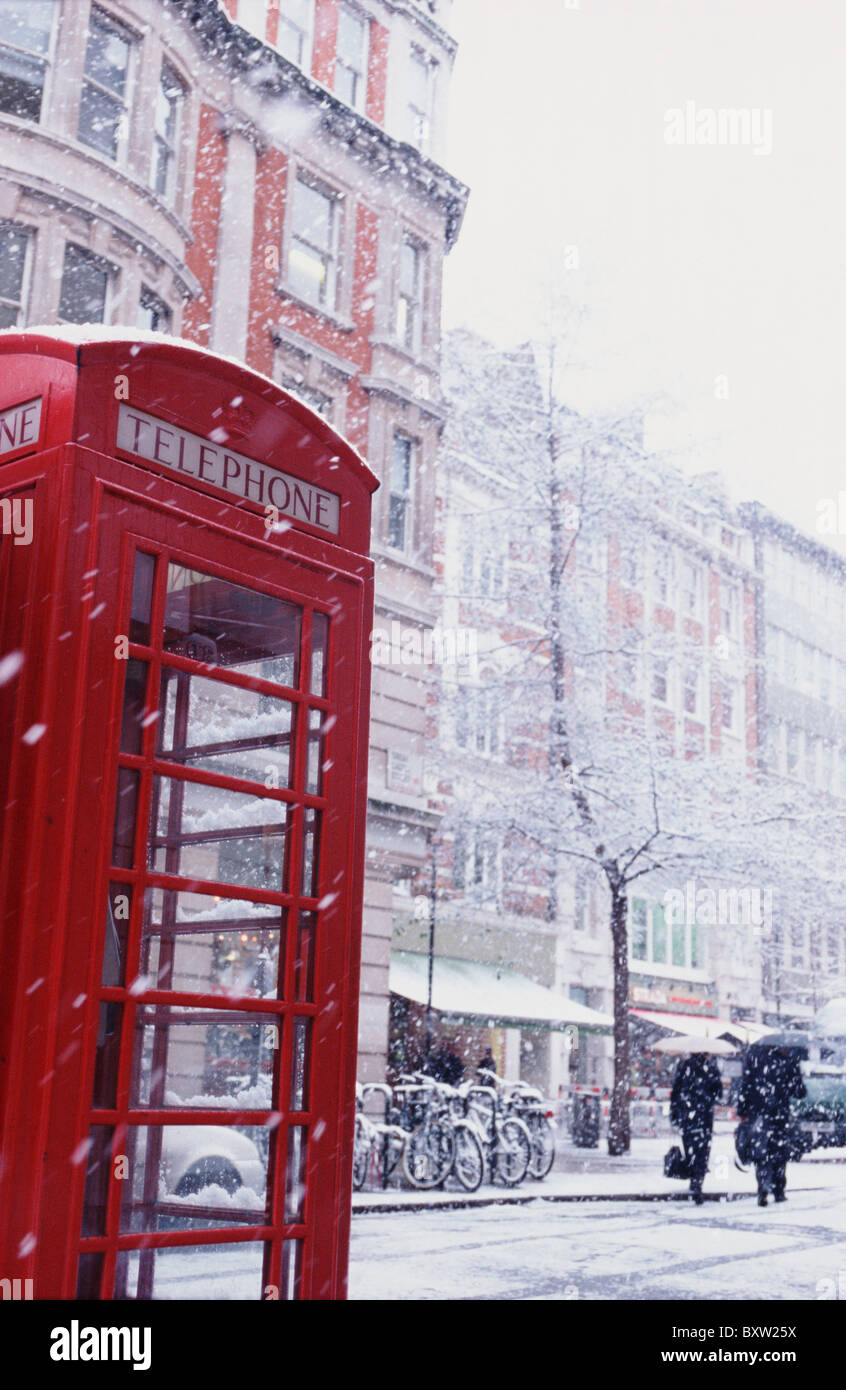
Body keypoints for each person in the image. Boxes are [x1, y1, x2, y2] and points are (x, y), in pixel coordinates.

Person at [736, 1045, 806, 1206]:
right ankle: (778, 1190)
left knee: (761, 1153)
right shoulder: (789, 1063)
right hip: (779, 1115)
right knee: (779, 1154)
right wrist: (794, 1076)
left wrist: (743, 1110)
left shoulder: (756, 1060)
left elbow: (745, 1086)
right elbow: (799, 1092)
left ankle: (763, 1189)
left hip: (759, 1114)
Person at [669, 1052, 723, 1204]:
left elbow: (676, 1092)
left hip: (687, 1115)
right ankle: (698, 1180)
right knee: (703, 1149)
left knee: (690, 1146)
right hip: (704, 1116)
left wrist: (675, 1113)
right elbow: (718, 1093)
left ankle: (693, 1176)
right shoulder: (711, 1069)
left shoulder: (684, 1066)